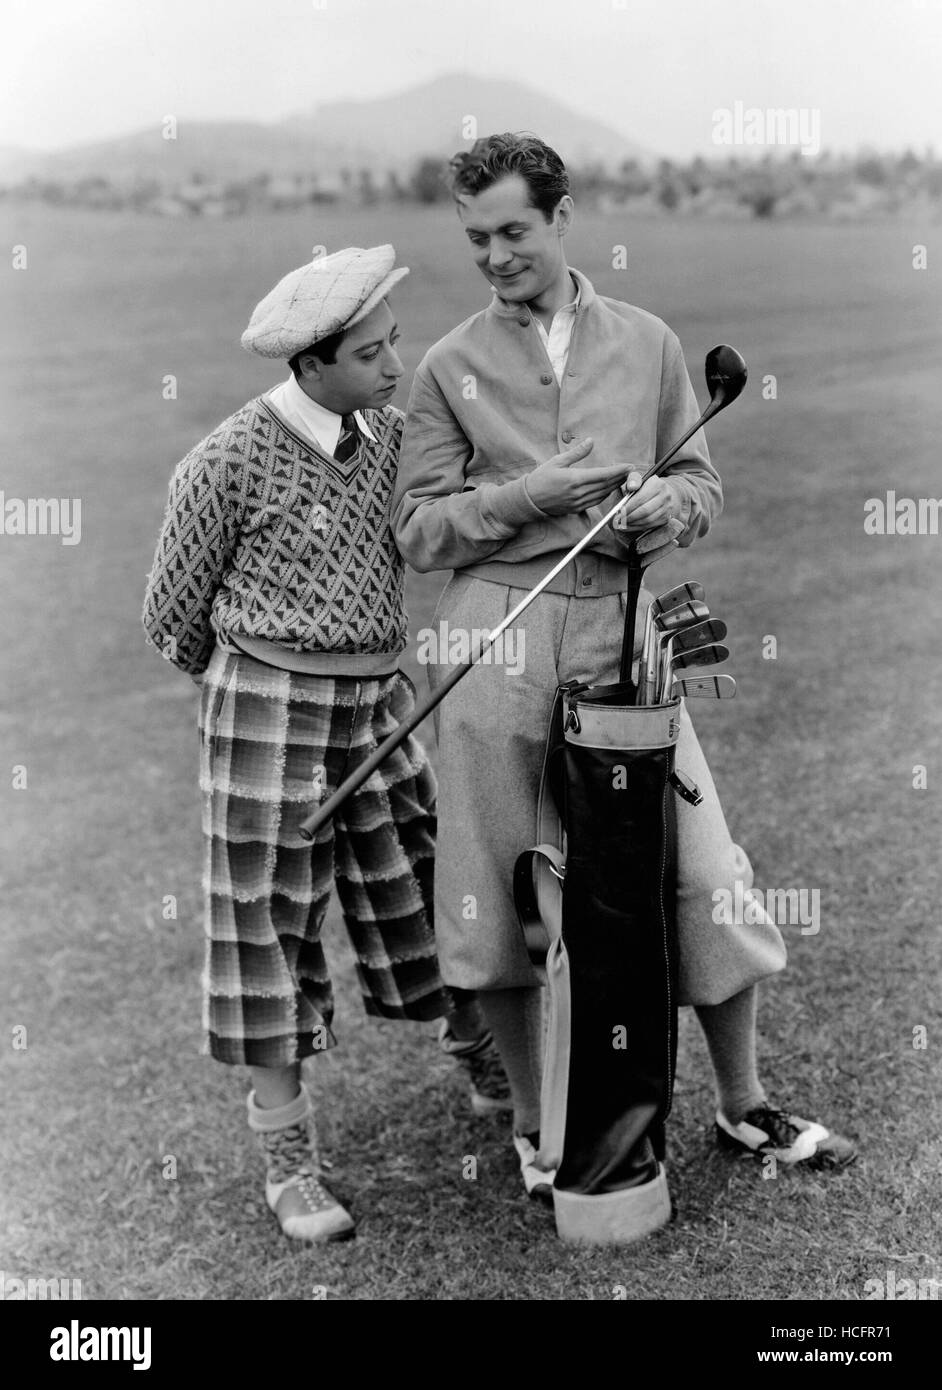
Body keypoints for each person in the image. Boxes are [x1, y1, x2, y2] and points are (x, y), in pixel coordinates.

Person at [392, 134, 856, 1201]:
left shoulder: (647, 342)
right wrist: (535, 495)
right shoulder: (447, 363)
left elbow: (701, 481)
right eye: (477, 239)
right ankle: (532, 1128)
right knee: (497, 897)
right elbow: (419, 531)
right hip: (492, 647)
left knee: (701, 871)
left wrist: (666, 505)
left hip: (628, 643)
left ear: (563, 218)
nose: (497, 255)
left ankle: (743, 1106)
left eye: (514, 231)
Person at [142, 245, 508, 1243]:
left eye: (394, 342)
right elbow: (171, 619)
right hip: (266, 710)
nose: (397, 366)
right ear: (310, 364)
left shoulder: (389, 438)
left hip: (378, 702)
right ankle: (289, 1160)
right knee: (267, 926)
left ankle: (480, 1051)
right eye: (373, 351)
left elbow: (454, 517)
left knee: (431, 874)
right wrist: (258, 692)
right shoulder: (221, 461)